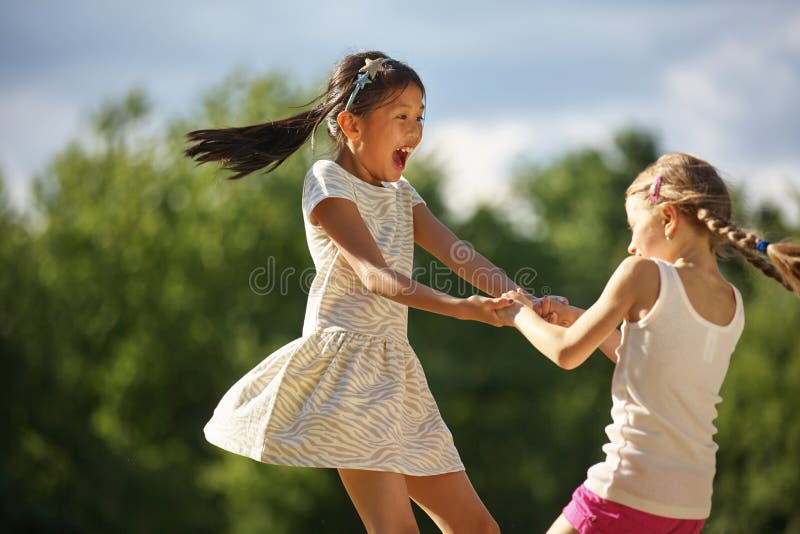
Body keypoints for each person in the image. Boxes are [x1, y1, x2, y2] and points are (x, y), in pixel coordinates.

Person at [185, 50, 533, 533]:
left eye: (420, 118)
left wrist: (526, 302)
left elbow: (461, 255)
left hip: (397, 372)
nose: (414, 131)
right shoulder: (327, 181)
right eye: (401, 117)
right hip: (349, 376)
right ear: (350, 125)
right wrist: (466, 310)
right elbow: (375, 276)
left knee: (478, 529)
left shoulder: (403, 194)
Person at [496, 153, 800, 534]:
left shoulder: (641, 273)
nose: (630, 246)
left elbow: (566, 352)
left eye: (633, 226)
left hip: (628, 487)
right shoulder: (734, 303)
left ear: (668, 219)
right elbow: (645, 361)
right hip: (688, 504)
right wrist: (577, 315)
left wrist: (517, 312)